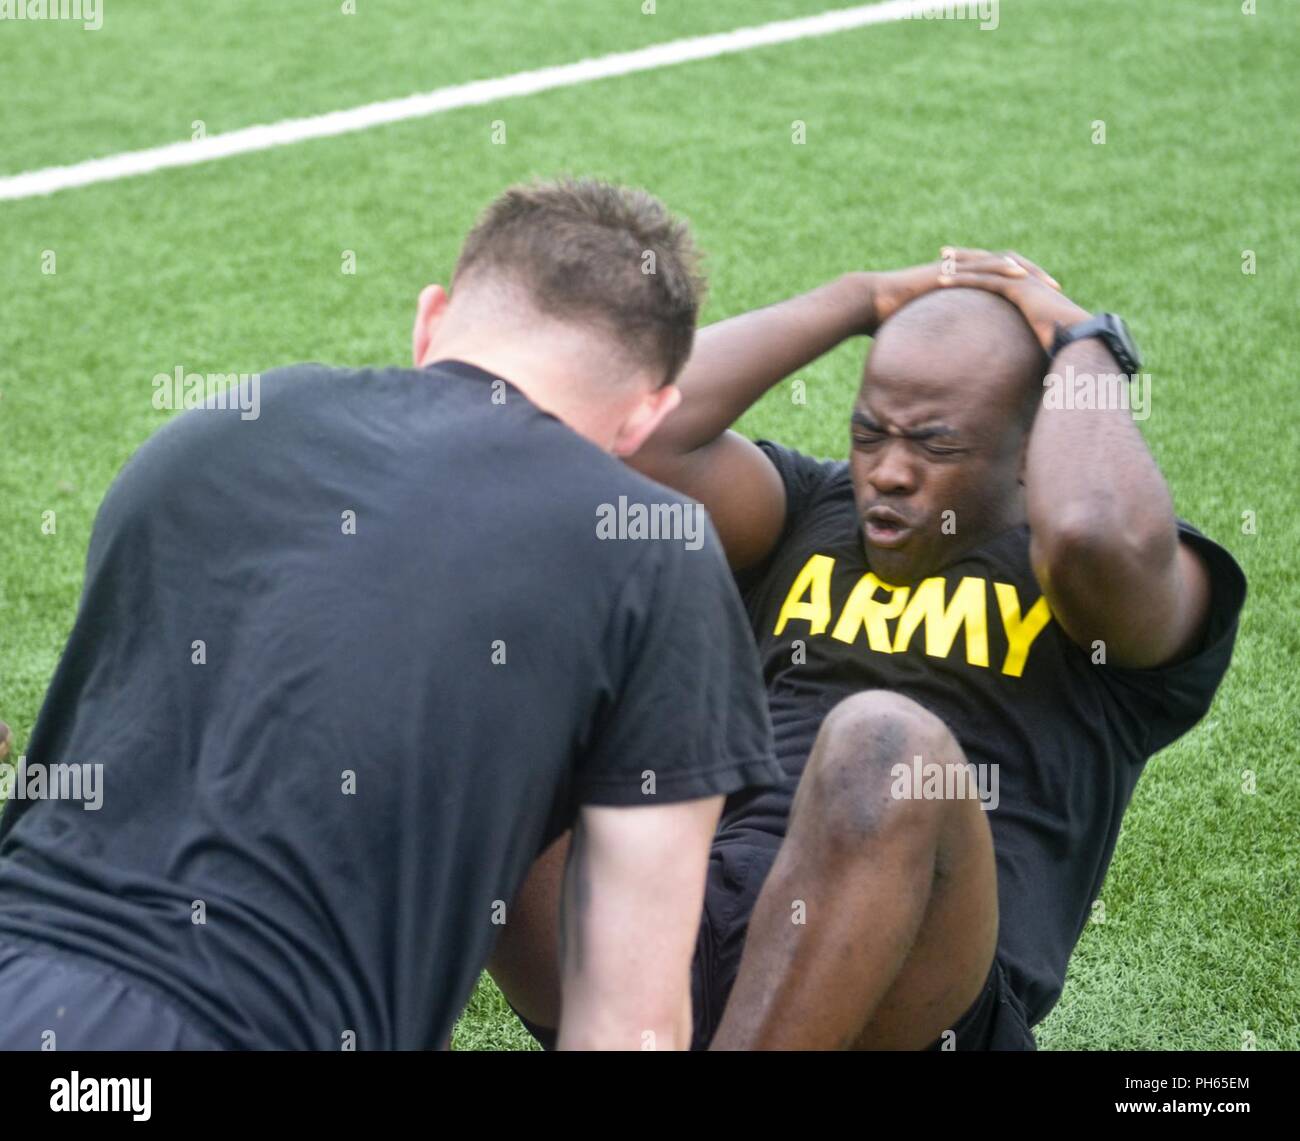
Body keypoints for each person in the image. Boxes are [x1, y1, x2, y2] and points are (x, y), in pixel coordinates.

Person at [0, 178, 781, 1051]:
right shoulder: (655, 549)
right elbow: (628, 1021)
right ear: (649, 415)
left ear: (431, 319)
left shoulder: (211, 432)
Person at [491, 250, 1247, 1050]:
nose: (887, 472)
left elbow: (1093, 531)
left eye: (935, 445)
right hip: (696, 944)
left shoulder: (1102, 590)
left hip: (909, 988)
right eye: (869, 434)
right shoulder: (809, 512)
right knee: (490, 668)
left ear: (1030, 452)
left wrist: (1084, 340)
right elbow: (622, 438)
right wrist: (861, 297)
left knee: (884, 743)